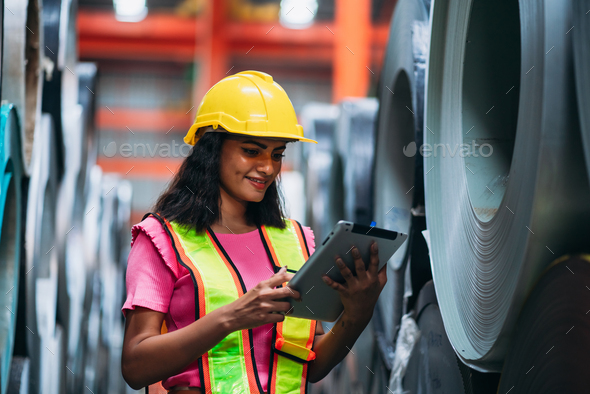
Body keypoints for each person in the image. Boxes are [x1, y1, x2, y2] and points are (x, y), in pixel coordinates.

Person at [121, 70, 387, 394]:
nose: (268, 167)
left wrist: (358, 313)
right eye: (252, 150)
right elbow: (135, 367)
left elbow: (312, 366)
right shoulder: (162, 240)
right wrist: (233, 316)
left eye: (277, 154)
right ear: (211, 148)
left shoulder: (296, 241)